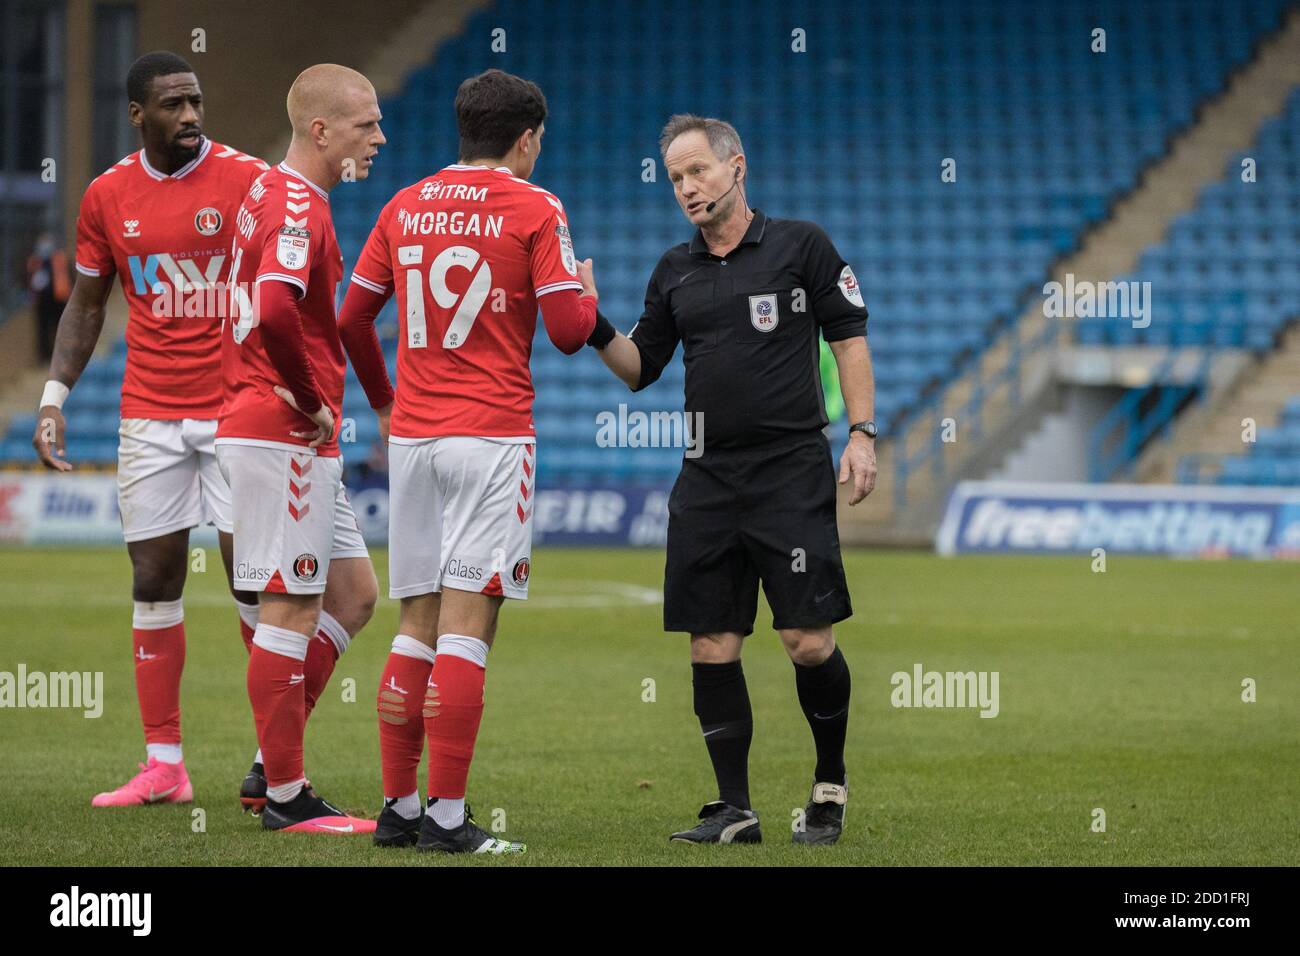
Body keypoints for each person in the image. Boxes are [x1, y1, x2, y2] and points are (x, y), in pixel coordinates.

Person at [583, 114, 877, 846]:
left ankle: (829, 786)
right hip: (707, 477)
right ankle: (733, 809)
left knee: (807, 642)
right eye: (676, 177)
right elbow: (640, 370)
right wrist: (590, 322)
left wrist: (862, 435)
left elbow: (849, 340)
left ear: (735, 166)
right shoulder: (673, 270)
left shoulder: (801, 245)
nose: (686, 187)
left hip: (790, 471)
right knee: (710, 643)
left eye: (697, 171)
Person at [338, 68, 594, 853]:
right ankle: (447, 820)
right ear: (524, 139)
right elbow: (568, 331)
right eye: (538, 141)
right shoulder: (534, 206)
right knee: (466, 630)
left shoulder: (404, 204)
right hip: (489, 436)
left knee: (414, 624)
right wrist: (583, 289)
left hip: (413, 438)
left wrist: (384, 404)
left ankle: (398, 808)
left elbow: (351, 319)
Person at [31, 51, 276, 808]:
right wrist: (53, 396)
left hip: (237, 409)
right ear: (138, 114)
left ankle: (277, 762)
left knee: (252, 581)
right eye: (172, 105)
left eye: (196, 100)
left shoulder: (247, 181)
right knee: (153, 577)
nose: (191, 116)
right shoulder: (108, 194)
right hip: (149, 412)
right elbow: (87, 304)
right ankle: (164, 766)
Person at [216, 63, 386, 833]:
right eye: (365, 125)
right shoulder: (291, 202)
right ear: (321, 131)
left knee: (352, 597)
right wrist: (310, 397)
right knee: (291, 606)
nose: (379, 138)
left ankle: (270, 760)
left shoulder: (266, 192)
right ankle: (286, 798)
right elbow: (277, 310)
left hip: (283, 435)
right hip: (283, 433)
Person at [27, 232, 70, 363]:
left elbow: (69, 276)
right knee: (43, 330)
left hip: (59, 299)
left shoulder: (60, 258)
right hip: (42, 302)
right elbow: (28, 278)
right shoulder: (35, 261)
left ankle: (62, 355)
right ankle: (45, 356)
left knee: (60, 328)